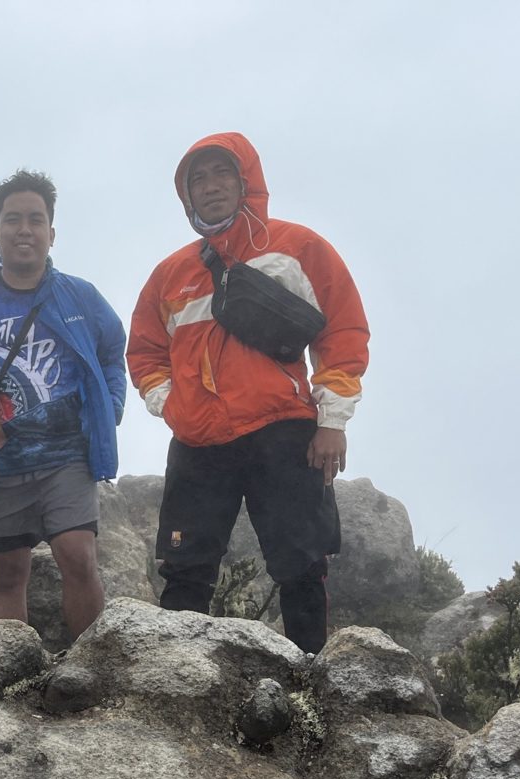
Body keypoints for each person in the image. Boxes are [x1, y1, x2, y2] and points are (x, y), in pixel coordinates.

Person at [128, 132, 369, 654]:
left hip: (282, 431)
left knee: (302, 563)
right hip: (198, 442)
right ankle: (174, 677)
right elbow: (144, 352)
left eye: (222, 173)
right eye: (198, 179)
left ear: (246, 182)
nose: (210, 187)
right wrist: (169, 403)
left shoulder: (299, 248)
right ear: (185, 195)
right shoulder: (169, 275)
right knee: (185, 569)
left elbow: (344, 333)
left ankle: (312, 682)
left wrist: (332, 421)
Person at [0, 170, 127, 640]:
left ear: (52, 232)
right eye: (12, 220)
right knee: (8, 573)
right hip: (0, 461)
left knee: (78, 556)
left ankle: (91, 669)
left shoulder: (79, 295)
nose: (23, 229)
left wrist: (109, 410)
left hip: (67, 456)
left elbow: (112, 351)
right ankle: (11, 675)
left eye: (35, 219)